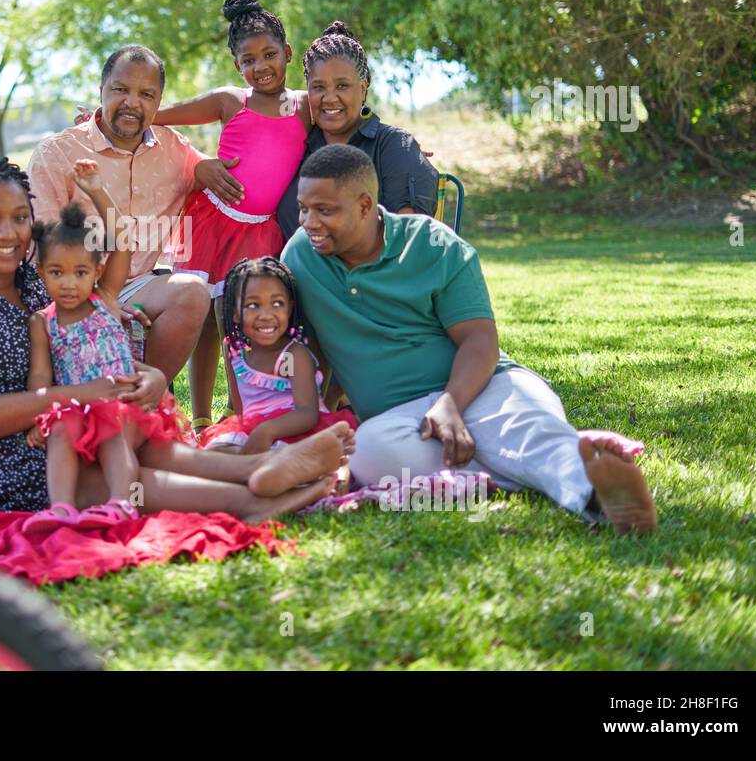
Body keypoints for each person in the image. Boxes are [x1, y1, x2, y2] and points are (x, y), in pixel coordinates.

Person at [0, 157, 353, 521]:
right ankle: (250, 503)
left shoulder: (39, 283)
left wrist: (140, 377)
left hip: (44, 425)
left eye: (20, 218)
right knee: (96, 471)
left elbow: (88, 342)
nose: (8, 233)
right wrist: (80, 397)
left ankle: (264, 473)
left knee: (128, 440)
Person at [281, 143, 657, 533]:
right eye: (303, 208)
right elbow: (301, 345)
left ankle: (599, 495)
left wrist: (451, 403)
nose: (309, 221)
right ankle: (519, 469)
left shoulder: (432, 244)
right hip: (399, 419)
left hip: (482, 386)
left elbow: (480, 339)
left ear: (363, 205)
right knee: (370, 454)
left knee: (528, 429)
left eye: (325, 210)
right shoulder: (300, 257)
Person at [27, 46, 233, 390]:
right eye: (121, 90)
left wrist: (211, 167)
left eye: (146, 94)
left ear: (159, 101)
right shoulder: (56, 154)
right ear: (101, 90)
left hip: (142, 285)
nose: (132, 103)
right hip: (75, 282)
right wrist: (94, 298)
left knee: (192, 293)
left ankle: (145, 401)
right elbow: (39, 249)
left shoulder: (176, 150)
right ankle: (113, 400)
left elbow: (208, 171)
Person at [153, 0, 310, 430]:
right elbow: (160, 117)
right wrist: (107, 115)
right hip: (211, 222)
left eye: (270, 55)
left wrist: (405, 149)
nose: (261, 66)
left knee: (235, 323)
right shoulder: (229, 101)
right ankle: (201, 417)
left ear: (288, 53)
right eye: (248, 60)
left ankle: (241, 416)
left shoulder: (306, 107)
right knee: (202, 319)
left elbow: (351, 121)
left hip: (259, 232)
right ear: (236, 66)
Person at [26, 162, 188, 530]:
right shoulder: (43, 322)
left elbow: (121, 240)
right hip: (76, 406)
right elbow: (40, 378)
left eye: (80, 273)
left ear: (97, 271)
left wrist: (97, 190)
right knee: (60, 433)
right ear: (42, 272)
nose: (69, 284)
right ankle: (61, 508)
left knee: (113, 433)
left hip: (123, 403)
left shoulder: (106, 299)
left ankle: (120, 502)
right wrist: (39, 415)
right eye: (57, 273)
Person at [275, 22, 439, 241]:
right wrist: (211, 164)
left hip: (371, 274)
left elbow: (407, 239)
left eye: (342, 86)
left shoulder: (393, 146)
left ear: (364, 86)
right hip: (291, 272)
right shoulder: (296, 148)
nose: (330, 98)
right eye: (319, 87)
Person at [199, 256, 359, 454]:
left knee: (293, 454)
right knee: (214, 451)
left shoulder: (293, 354)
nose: (266, 315)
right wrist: (245, 437)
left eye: (277, 304)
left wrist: (268, 431)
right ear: (234, 313)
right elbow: (241, 411)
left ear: (289, 308)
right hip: (254, 432)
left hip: (297, 433)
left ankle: (271, 471)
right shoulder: (233, 349)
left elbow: (308, 413)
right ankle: (259, 470)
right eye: (253, 305)